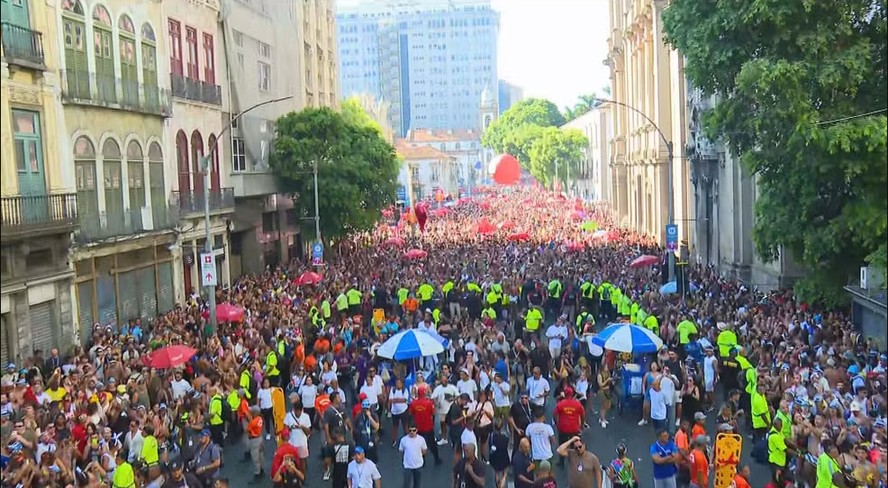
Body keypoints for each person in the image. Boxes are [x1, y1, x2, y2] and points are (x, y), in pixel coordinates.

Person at [554, 387, 585, 467]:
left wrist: (557, 424)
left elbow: (554, 414)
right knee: (575, 446)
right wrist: (581, 425)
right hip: (574, 429)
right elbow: (582, 414)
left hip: (563, 428)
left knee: (562, 444)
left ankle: (561, 462)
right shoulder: (577, 404)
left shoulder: (560, 404)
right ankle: (575, 462)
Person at [398, 422, 427, 488]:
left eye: (413, 430)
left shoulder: (421, 439)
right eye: (410, 430)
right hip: (407, 465)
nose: (412, 432)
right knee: (406, 484)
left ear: (417, 430)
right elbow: (401, 451)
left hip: (418, 465)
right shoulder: (403, 440)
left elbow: (424, 451)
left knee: (417, 484)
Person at [245, 405, 265, 484]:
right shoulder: (260, 419)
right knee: (261, 455)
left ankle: (257, 473)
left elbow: (248, 430)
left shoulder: (253, 422)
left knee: (255, 457)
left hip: (254, 440)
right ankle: (262, 469)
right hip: (260, 438)